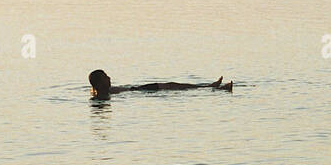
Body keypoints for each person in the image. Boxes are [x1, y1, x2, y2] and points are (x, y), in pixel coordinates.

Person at [89, 69, 232, 99]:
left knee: (173, 85)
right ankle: (213, 88)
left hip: (139, 89)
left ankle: (210, 87)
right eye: (105, 77)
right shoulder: (105, 94)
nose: (109, 78)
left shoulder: (101, 92)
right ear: (100, 83)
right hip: (141, 92)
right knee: (174, 86)